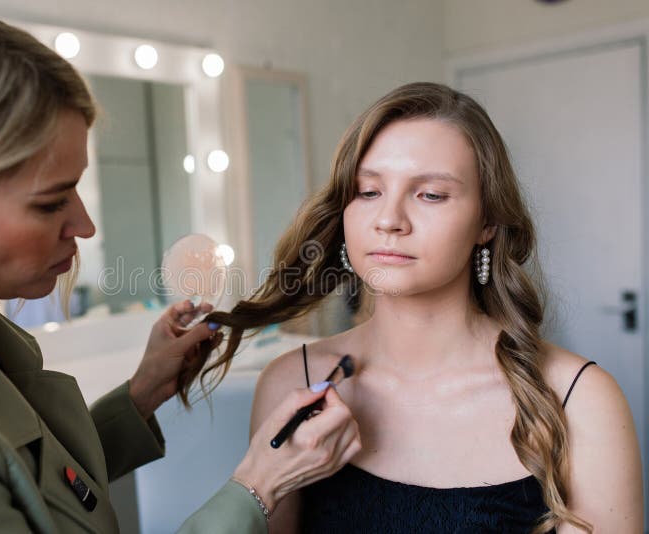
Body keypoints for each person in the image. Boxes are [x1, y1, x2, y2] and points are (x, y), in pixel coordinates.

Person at [0, 6, 361, 533]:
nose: (86, 225)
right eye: (50, 203)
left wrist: (141, 394)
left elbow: (40, 488)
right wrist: (259, 484)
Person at [203, 82, 644, 532]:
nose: (389, 219)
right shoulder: (293, 383)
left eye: (430, 194)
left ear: (487, 222)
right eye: (367, 191)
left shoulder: (579, 401)